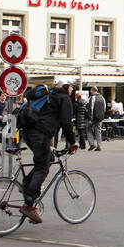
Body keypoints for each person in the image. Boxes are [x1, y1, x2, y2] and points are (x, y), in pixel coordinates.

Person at [19, 82, 79, 224]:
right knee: (42, 168)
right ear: (67, 88)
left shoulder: (49, 96)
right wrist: (72, 142)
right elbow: (66, 122)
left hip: (29, 133)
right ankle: (29, 204)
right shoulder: (64, 99)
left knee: (47, 157)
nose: (72, 90)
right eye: (72, 87)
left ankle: (28, 184)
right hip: (41, 134)